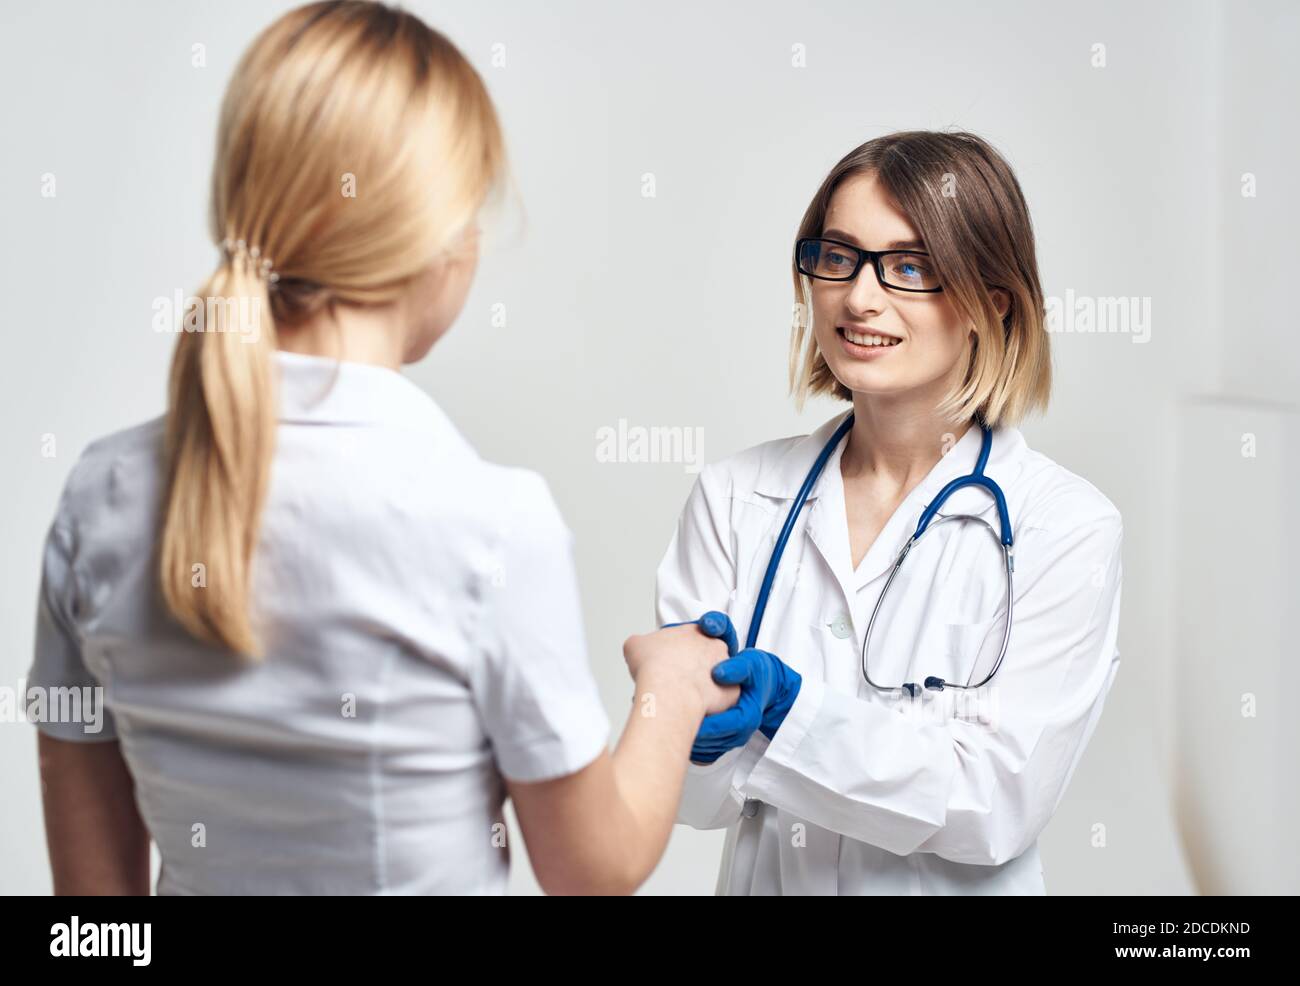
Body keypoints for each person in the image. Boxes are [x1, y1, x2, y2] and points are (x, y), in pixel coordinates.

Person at [29, 0, 731, 896]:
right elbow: (591, 869)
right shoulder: (489, 522)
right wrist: (669, 688)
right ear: (438, 242)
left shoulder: (101, 493)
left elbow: (92, 917)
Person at [656, 130, 1124, 895]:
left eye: (909, 267)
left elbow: (994, 805)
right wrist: (681, 726)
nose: (859, 296)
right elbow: (687, 798)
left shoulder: (1064, 527)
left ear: (989, 301)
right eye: (837, 257)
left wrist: (789, 715)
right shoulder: (735, 499)